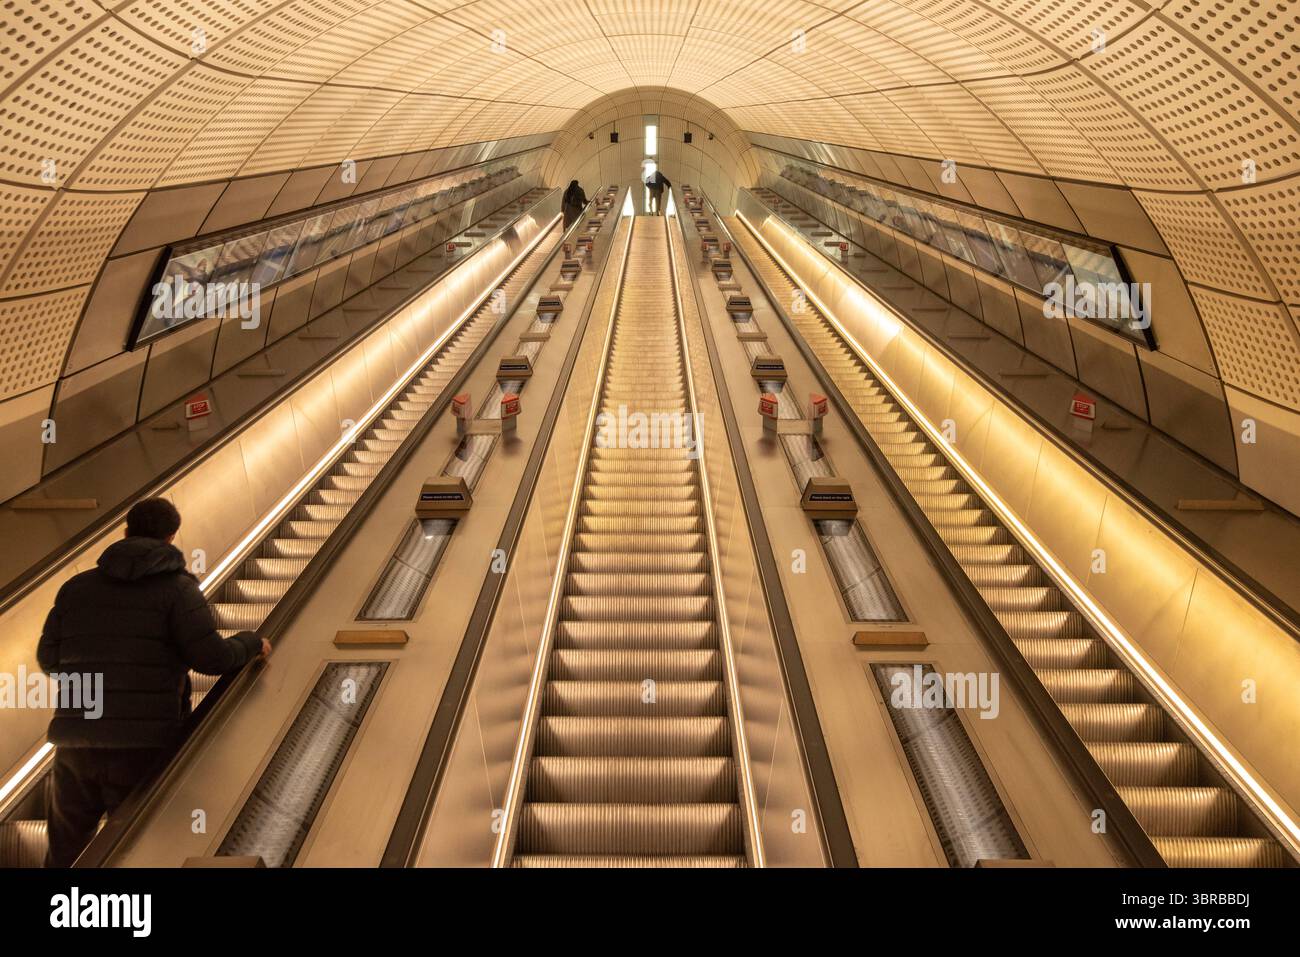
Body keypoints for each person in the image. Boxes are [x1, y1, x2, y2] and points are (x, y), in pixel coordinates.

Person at [36, 497, 269, 867]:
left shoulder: (76, 588)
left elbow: (49, 659)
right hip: (145, 746)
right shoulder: (178, 590)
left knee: (66, 852)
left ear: (125, 532)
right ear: (171, 536)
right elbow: (211, 659)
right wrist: (251, 642)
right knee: (136, 847)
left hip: (75, 744)